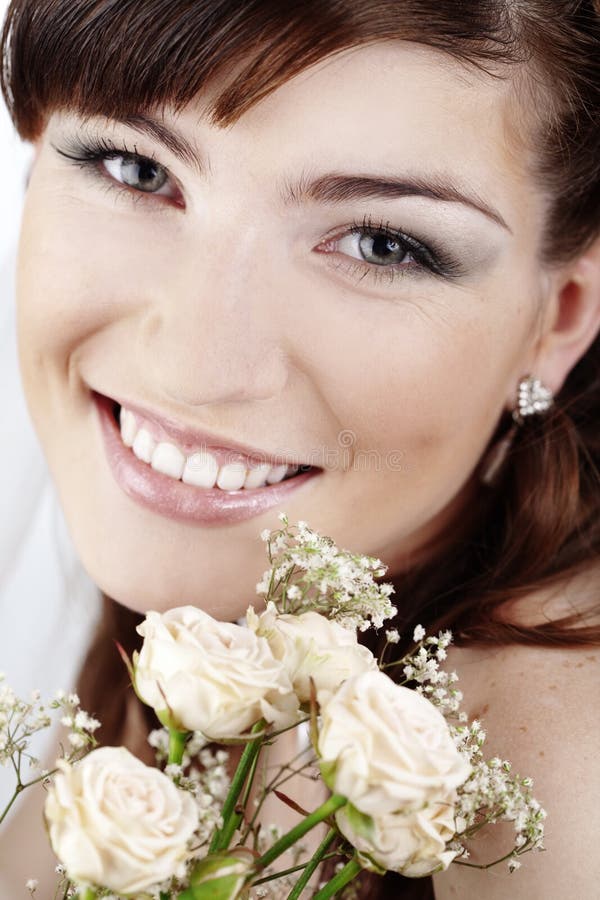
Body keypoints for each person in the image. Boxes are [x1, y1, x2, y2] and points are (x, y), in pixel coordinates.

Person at [1, 1, 599, 897]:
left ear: (557, 319)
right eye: (136, 168)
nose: (196, 367)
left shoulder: (553, 776)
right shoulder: (225, 625)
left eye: (382, 244)